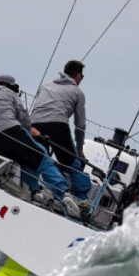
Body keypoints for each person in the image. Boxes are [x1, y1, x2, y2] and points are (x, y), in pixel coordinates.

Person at [0, 75, 83, 218]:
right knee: (41, 155)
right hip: (10, 132)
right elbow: (23, 117)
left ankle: (36, 192)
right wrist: (31, 135)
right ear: (11, 86)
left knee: (25, 158)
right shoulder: (9, 93)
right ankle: (64, 194)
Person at [31, 60, 92, 201]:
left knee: (40, 159)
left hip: (34, 124)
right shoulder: (77, 92)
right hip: (57, 126)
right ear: (78, 76)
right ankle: (80, 200)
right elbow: (80, 125)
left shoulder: (45, 86)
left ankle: (35, 191)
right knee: (73, 164)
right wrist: (79, 148)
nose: (82, 79)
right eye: (82, 76)